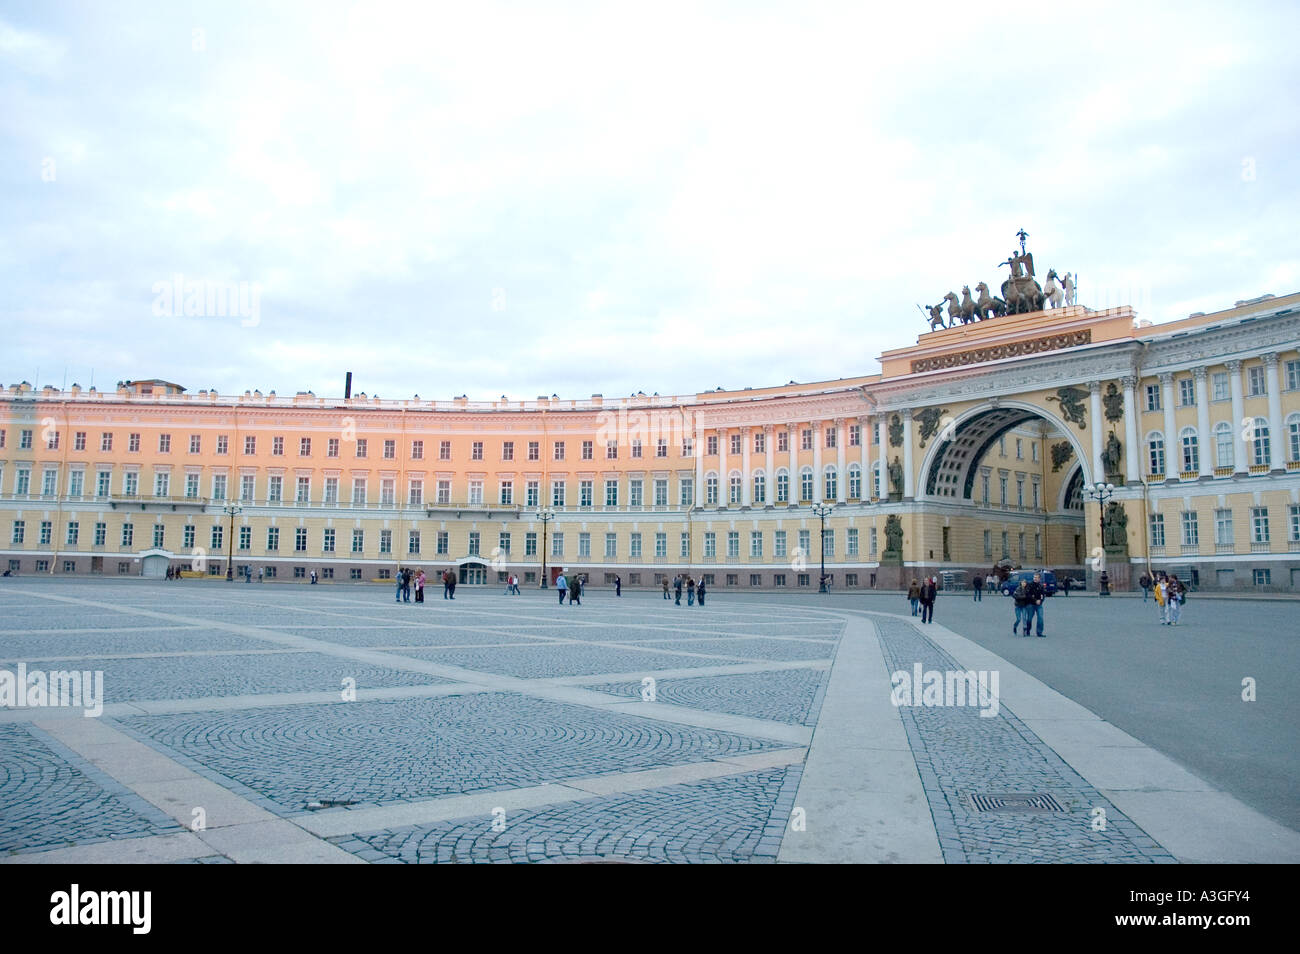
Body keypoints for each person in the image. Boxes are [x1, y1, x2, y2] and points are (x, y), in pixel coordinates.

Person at [1025, 572, 1046, 637]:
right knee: (1029, 619)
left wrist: (1041, 601)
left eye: (1036, 577)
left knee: (1040, 618)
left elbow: (1043, 595)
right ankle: (1027, 630)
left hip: (1039, 605)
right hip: (1030, 604)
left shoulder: (1041, 586)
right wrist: (1035, 600)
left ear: (1039, 579)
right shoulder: (1029, 585)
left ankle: (1039, 632)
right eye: (1034, 577)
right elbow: (1028, 594)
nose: (1035, 579)